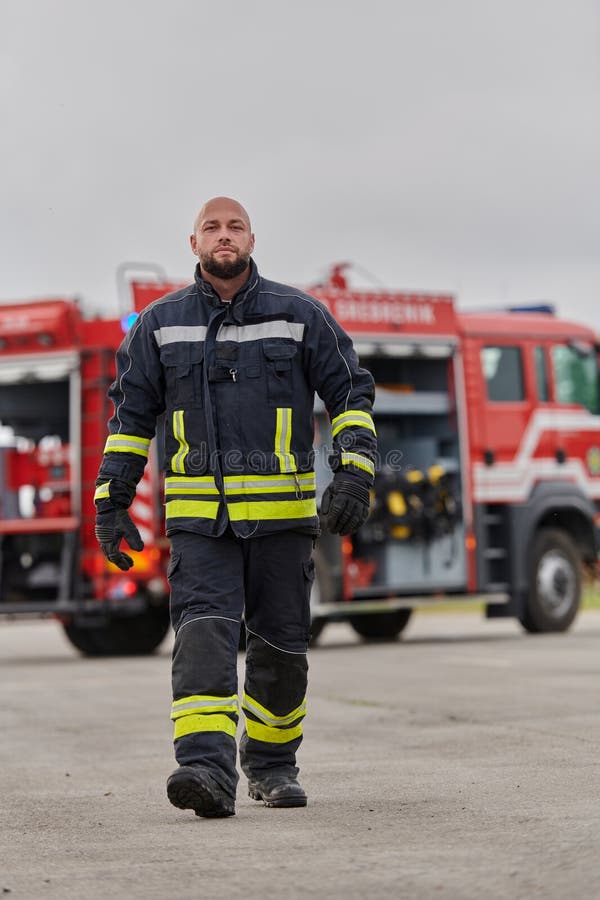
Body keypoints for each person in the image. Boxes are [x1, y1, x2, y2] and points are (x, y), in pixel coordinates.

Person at [94, 197, 377, 818]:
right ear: (191, 242)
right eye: (212, 228)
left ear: (252, 238)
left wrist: (354, 474)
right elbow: (129, 420)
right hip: (201, 526)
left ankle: (273, 767)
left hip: (283, 522)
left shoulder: (300, 315)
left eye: (235, 226)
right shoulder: (158, 323)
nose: (224, 236)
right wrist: (111, 502)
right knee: (202, 637)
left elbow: (350, 392)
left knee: (281, 652)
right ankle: (205, 769)